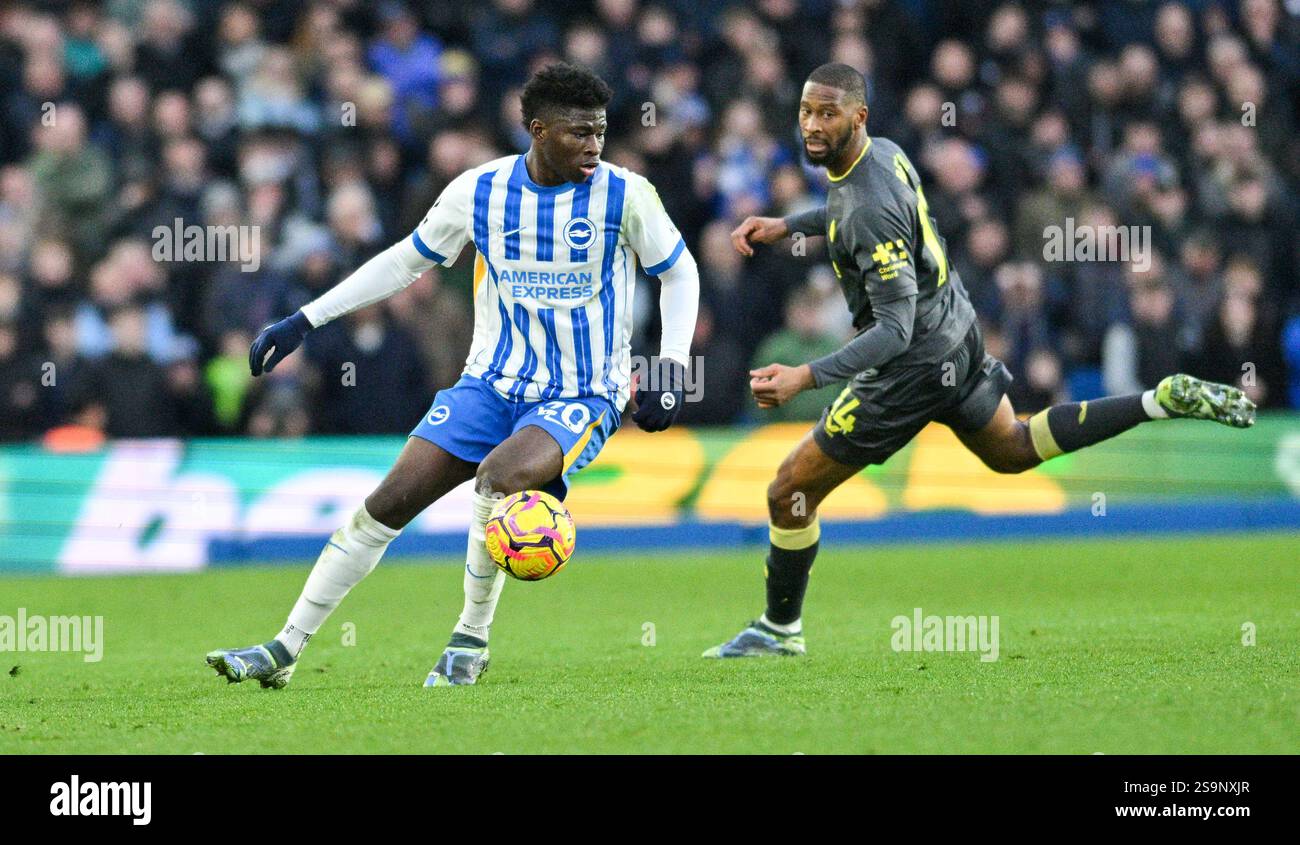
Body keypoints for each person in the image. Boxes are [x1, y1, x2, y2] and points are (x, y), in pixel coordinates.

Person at [705, 63, 1255, 659]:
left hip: (911, 364)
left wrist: (804, 377)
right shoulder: (883, 154)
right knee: (1014, 449)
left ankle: (780, 630)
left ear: (857, 117)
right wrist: (788, 225)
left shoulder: (867, 205)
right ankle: (1157, 400)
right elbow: (850, 215)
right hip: (957, 328)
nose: (811, 125)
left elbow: (892, 328)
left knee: (789, 489)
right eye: (807, 112)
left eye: (827, 113)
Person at [207, 63, 698, 687]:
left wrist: (673, 365)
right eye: (579, 133)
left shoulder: (626, 194)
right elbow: (404, 263)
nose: (594, 146)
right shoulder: (480, 192)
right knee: (383, 506)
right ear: (537, 129)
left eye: (600, 132)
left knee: (497, 477)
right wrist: (306, 319)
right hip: (489, 383)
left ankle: (469, 639)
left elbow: (679, 272)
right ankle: (284, 649)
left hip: (582, 391)